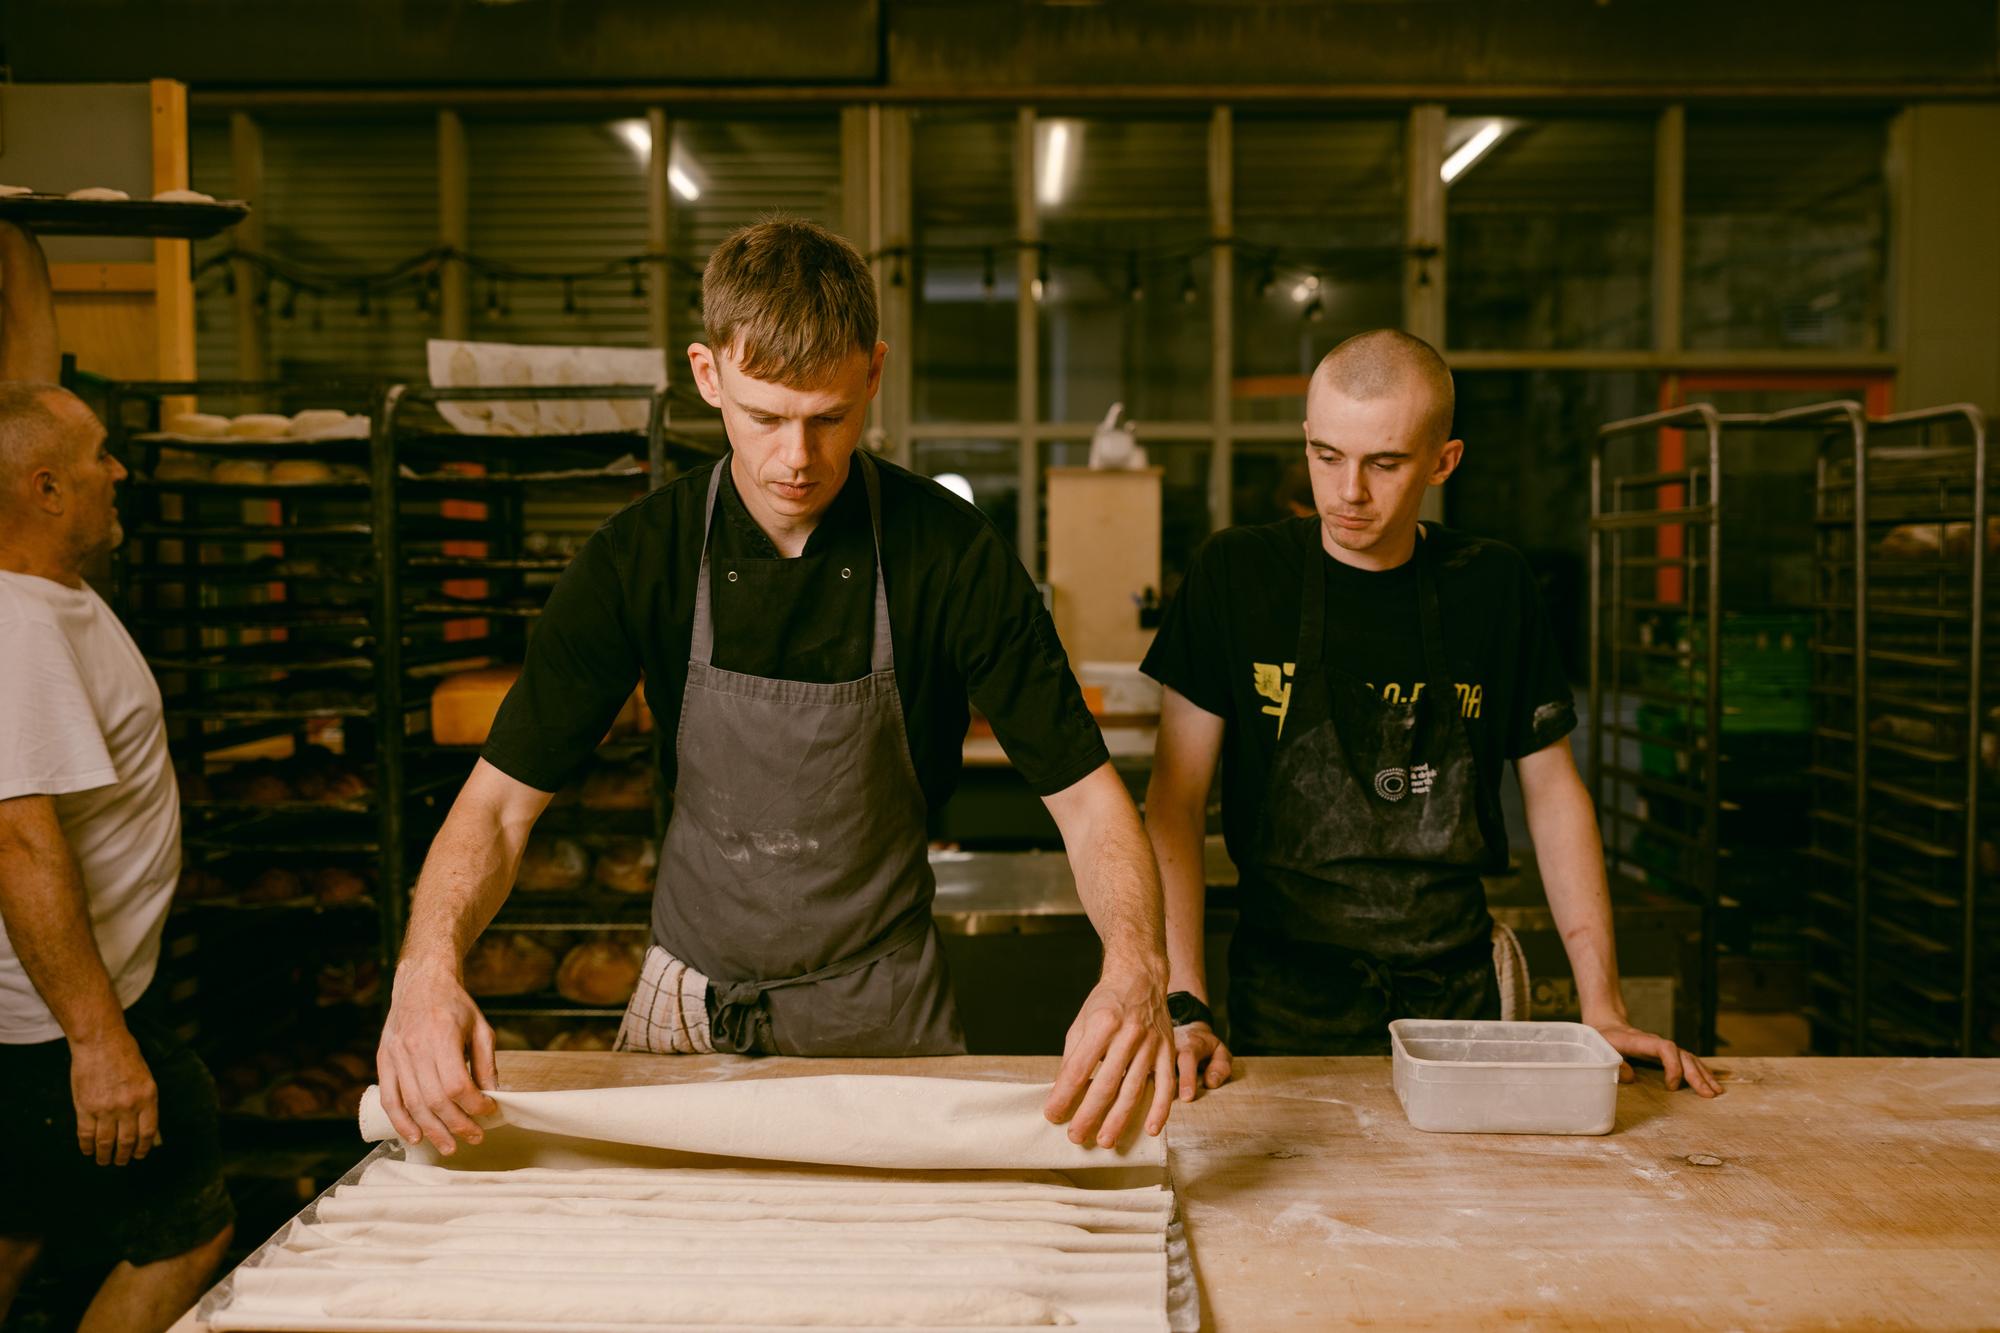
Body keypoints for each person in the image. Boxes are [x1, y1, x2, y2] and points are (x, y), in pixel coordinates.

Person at [377, 218, 1174, 1155]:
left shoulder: (951, 555)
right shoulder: (641, 558)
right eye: (764, 417)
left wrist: (1136, 965)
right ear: (709, 376)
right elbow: (499, 808)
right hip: (688, 1011)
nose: (797, 457)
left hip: (882, 1019)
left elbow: (1088, 803)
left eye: (829, 417)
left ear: (874, 374)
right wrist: (426, 969)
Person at [1142, 329, 1720, 1099]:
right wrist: (1185, 1001)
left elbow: (1554, 796)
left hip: (1458, 1004)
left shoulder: (1493, 586)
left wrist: (1602, 1006)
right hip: (1286, 996)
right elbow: (1173, 802)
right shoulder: (1237, 575)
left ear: (1443, 461)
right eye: (1326, 457)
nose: (1349, 491)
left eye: (1384, 463)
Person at [0, 372, 236, 1330]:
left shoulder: (52, 600)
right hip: (60, 1025)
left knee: (18, 1222)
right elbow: (17, 838)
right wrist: (100, 1046)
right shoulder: (19, 627)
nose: (121, 469)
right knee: (186, 1233)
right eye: (100, 453)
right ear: (47, 488)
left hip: (54, 1017)